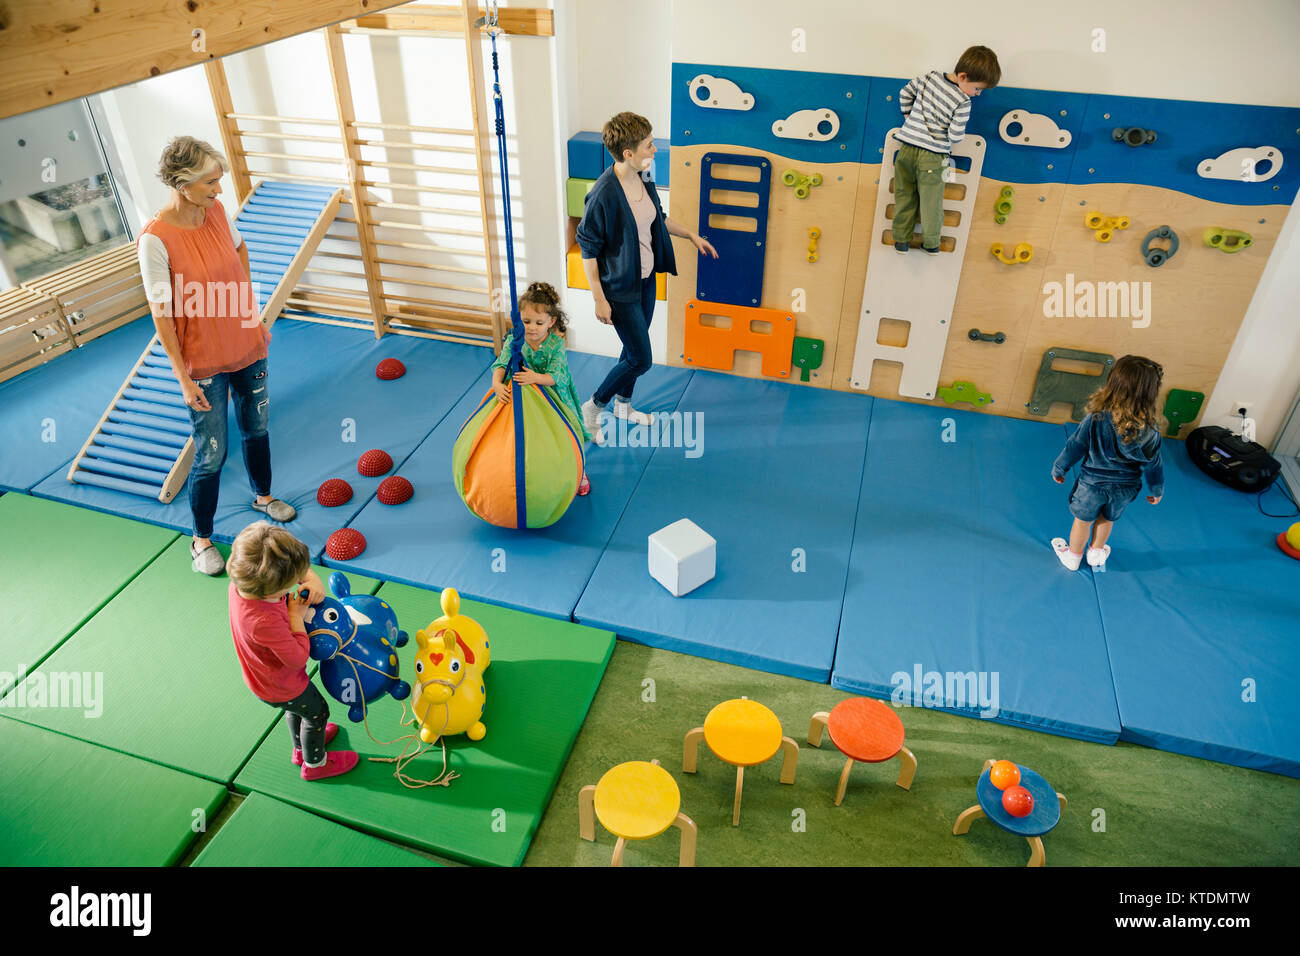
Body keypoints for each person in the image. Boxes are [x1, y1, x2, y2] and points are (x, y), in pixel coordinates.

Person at [137, 136, 296, 577]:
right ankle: (201, 539)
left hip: (248, 346)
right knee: (211, 453)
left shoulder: (218, 214)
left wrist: (246, 308)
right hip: (203, 362)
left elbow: (240, 250)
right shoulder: (156, 240)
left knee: (257, 427)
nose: (219, 191)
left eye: (219, 180)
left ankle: (263, 497)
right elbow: (161, 312)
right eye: (210, 182)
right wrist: (182, 378)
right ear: (182, 184)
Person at [576, 111, 717, 439]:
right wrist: (599, 298)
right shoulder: (603, 194)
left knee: (631, 350)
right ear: (628, 153)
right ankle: (593, 407)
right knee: (641, 359)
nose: (655, 150)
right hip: (619, 289)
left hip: (646, 280)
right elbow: (588, 248)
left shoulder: (644, 175)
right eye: (649, 145)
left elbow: (658, 218)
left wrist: (692, 235)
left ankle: (624, 407)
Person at [227, 522, 359, 781]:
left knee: (297, 711)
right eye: (287, 587)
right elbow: (299, 658)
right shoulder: (262, 621)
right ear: (272, 589)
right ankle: (315, 764)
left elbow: (287, 567)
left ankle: (300, 749)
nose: (292, 587)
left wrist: (310, 578)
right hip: (283, 686)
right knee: (317, 712)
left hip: (267, 680)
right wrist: (295, 615)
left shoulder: (242, 584)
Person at [1050, 356, 1166, 571]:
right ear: (1151, 392)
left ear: (1114, 383)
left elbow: (1076, 445)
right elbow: (1154, 463)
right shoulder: (1151, 430)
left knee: (1082, 521)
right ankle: (1096, 553)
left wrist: (1060, 467)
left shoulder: (1097, 418)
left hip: (1091, 485)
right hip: (1125, 488)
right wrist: (1157, 489)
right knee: (1107, 518)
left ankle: (1073, 557)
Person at [893, 46, 1000, 254]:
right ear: (963, 76)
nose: (977, 94)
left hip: (906, 148)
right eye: (978, 88)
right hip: (934, 157)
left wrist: (908, 115)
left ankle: (901, 241)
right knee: (931, 201)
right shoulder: (963, 101)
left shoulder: (930, 78)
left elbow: (905, 92)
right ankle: (931, 243)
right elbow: (955, 135)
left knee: (904, 195)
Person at [491, 281, 593, 495]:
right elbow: (502, 363)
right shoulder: (514, 341)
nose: (532, 328)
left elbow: (557, 376)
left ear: (551, 321)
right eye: (526, 321)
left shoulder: (556, 345)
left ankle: (580, 470)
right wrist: (497, 383)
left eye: (539, 323)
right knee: (534, 437)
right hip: (527, 399)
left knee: (566, 434)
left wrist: (535, 377)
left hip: (555, 397)